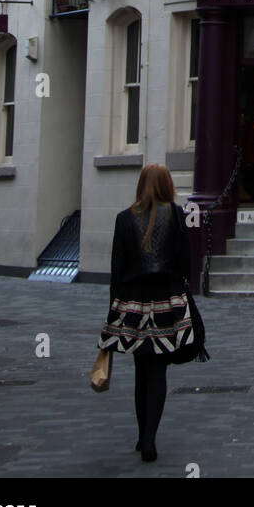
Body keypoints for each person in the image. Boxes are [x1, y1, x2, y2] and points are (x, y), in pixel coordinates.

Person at [98, 163, 196, 462]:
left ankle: (143, 436)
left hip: (134, 302)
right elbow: (185, 262)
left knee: (141, 369)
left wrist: (114, 310)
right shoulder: (177, 215)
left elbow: (117, 268)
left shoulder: (124, 219)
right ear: (167, 185)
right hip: (166, 300)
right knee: (158, 370)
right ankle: (151, 436)